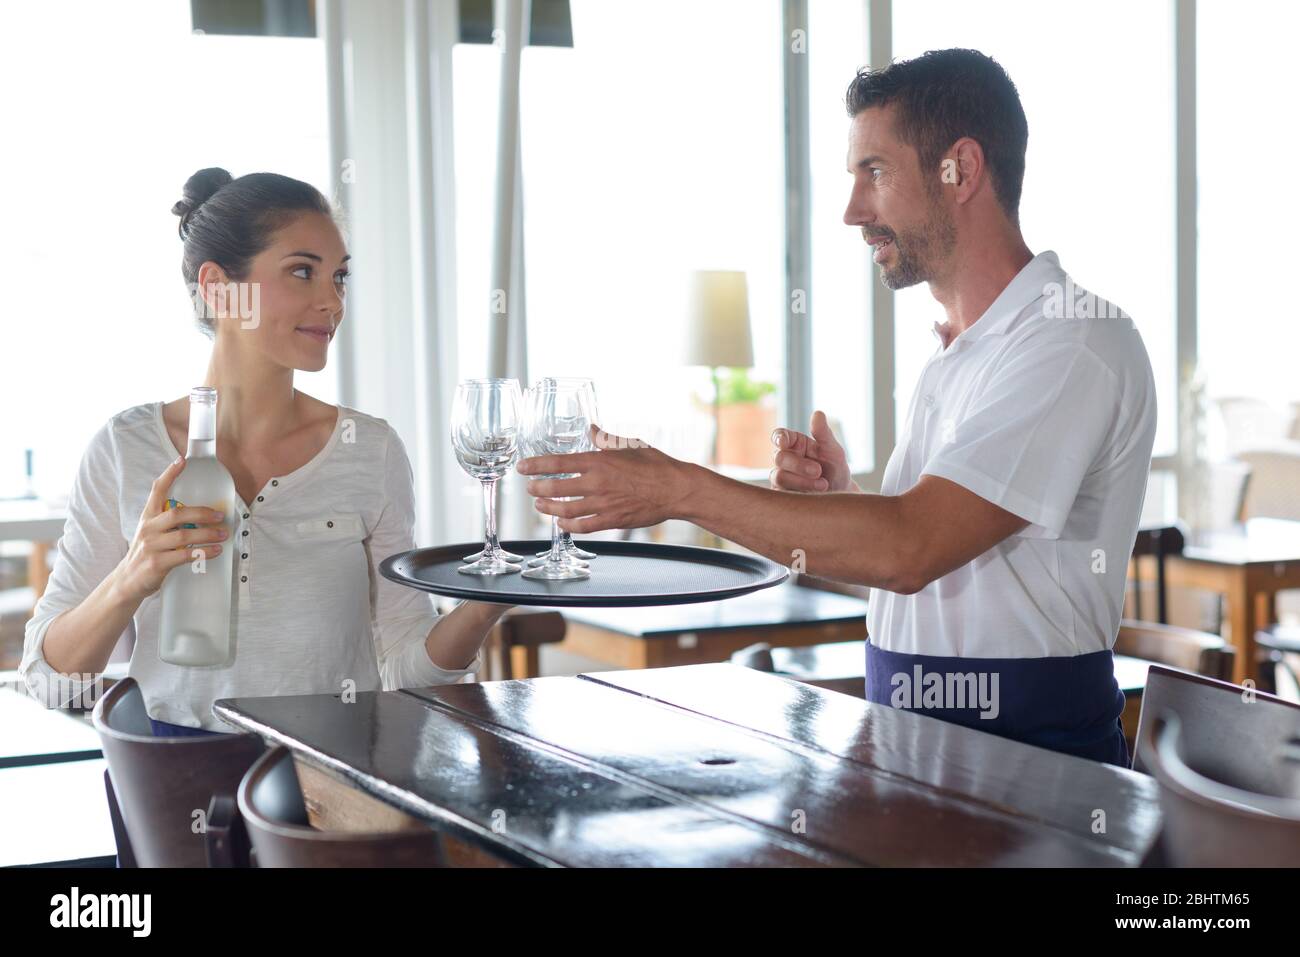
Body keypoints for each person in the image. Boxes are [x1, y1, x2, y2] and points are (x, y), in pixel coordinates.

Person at [516, 50, 1156, 768]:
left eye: (874, 172)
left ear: (962, 169)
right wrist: (842, 505)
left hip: (1034, 776)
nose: (853, 211)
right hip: (916, 754)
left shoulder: (1071, 340)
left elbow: (911, 548)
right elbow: (924, 564)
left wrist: (676, 489)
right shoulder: (959, 350)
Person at [21, 168, 509, 735]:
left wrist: (488, 600)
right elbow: (51, 683)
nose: (332, 301)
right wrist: (133, 576)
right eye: (303, 272)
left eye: (340, 277)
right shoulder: (124, 448)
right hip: (171, 770)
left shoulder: (370, 451)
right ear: (217, 286)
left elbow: (405, 668)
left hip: (332, 768)